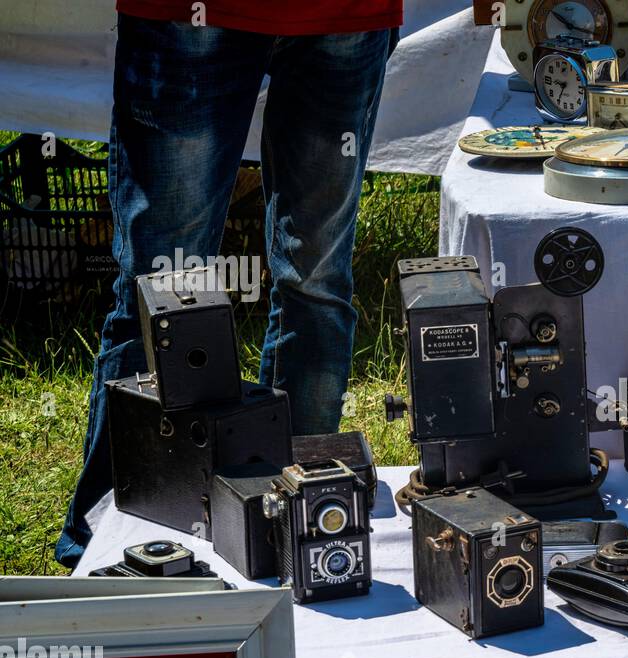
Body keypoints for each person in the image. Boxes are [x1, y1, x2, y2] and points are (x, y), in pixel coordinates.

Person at [56, 1, 401, 566]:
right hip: (197, 16)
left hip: (346, 15)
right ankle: (109, 549)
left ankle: (300, 527)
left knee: (316, 284)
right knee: (161, 288)